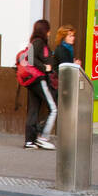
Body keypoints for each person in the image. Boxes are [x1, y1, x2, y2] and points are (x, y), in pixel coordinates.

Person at [23, 18, 57, 150]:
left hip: (32, 81)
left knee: (34, 110)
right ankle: (43, 137)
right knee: (53, 108)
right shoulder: (39, 42)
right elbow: (30, 58)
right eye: (48, 30)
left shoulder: (35, 42)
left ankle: (30, 141)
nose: (49, 33)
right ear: (44, 30)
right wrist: (45, 67)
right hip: (39, 80)